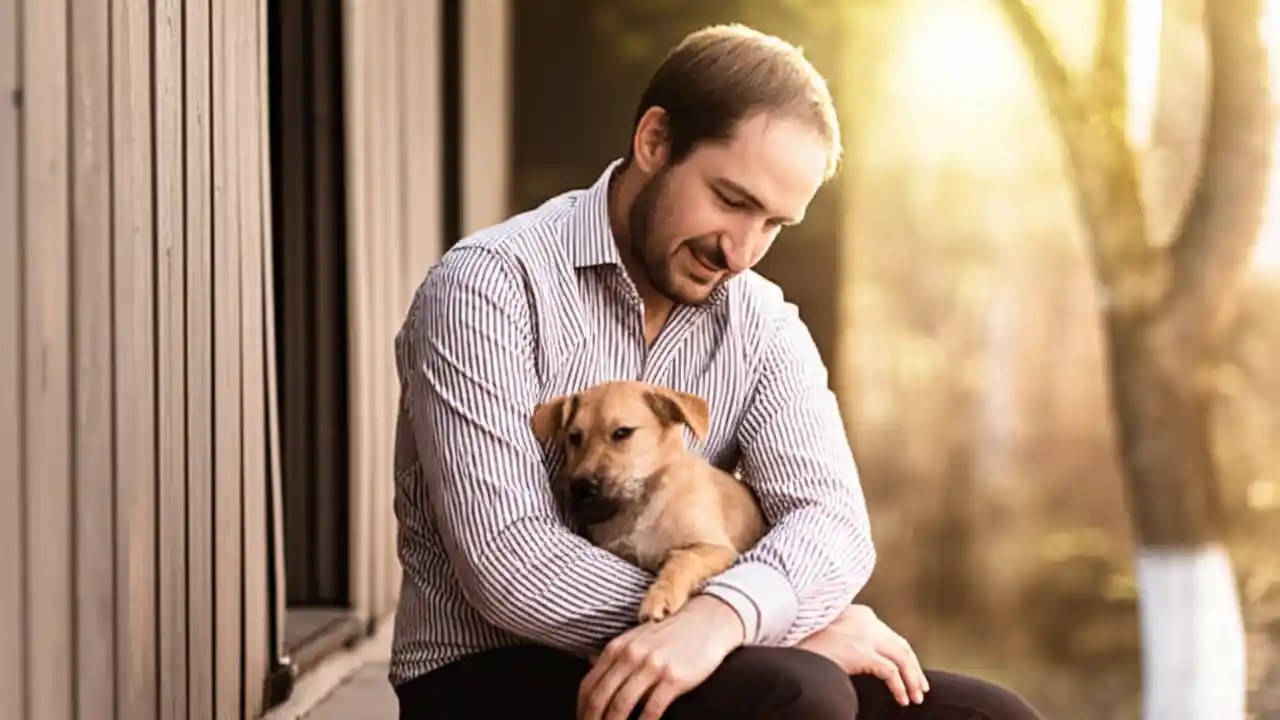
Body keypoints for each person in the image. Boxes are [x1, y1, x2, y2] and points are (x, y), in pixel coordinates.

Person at [390, 22, 1045, 720]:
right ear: (654, 141)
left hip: (721, 651)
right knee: (801, 693)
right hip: (493, 673)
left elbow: (834, 524)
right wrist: (757, 625)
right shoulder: (489, 288)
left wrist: (728, 619)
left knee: (989, 716)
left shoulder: (759, 322)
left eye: (773, 225)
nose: (741, 251)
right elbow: (509, 562)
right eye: (732, 201)